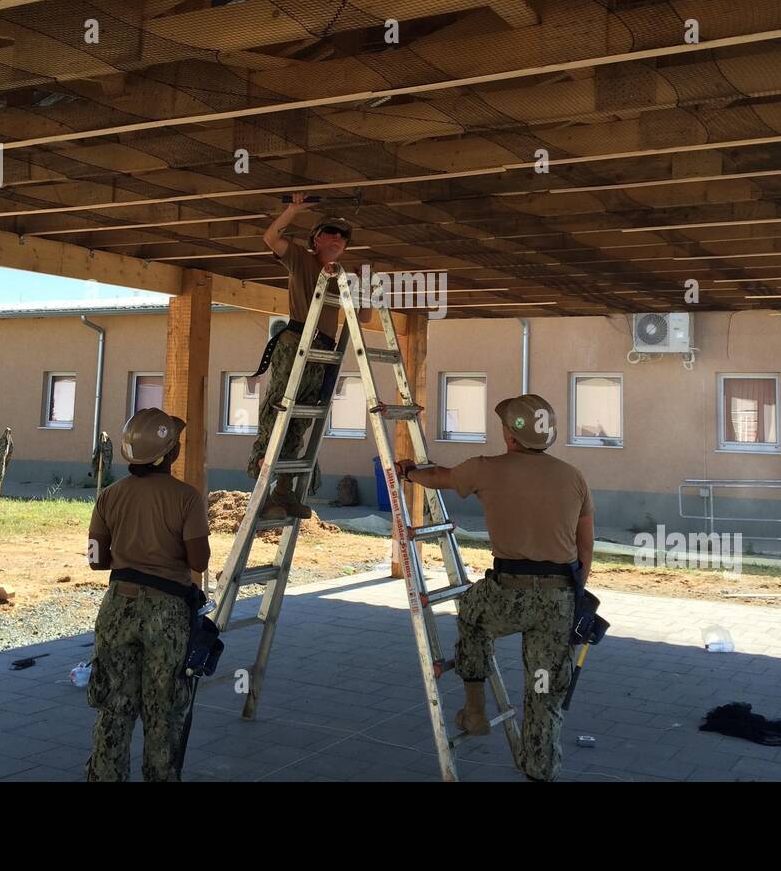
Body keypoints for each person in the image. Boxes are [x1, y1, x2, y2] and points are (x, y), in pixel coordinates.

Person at [396, 394, 595, 782]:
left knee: (470, 614)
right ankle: (540, 772)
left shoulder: (486, 470)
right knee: (543, 691)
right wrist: (574, 597)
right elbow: (585, 544)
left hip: (508, 594)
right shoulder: (573, 476)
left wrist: (407, 473)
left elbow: (440, 477)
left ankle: (474, 710)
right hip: (558, 601)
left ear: (510, 435)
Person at [85, 407, 210, 782]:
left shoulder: (109, 496)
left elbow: (95, 560)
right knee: (164, 711)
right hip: (167, 612)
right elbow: (199, 562)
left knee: (114, 708)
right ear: (169, 454)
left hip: (117, 607)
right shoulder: (187, 498)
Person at [251, 192, 371, 517]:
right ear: (315, 240)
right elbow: (270, 237)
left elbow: (363, 319)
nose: (337, 238)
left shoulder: (341, 278)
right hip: (297, 345)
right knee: (280, 410)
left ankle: (284, 493)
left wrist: (363, 286)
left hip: (321, 354)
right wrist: (292, 210)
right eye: (329, 232)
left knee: (300, 422)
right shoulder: (302, 260)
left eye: (342, 236)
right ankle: (263, 494)